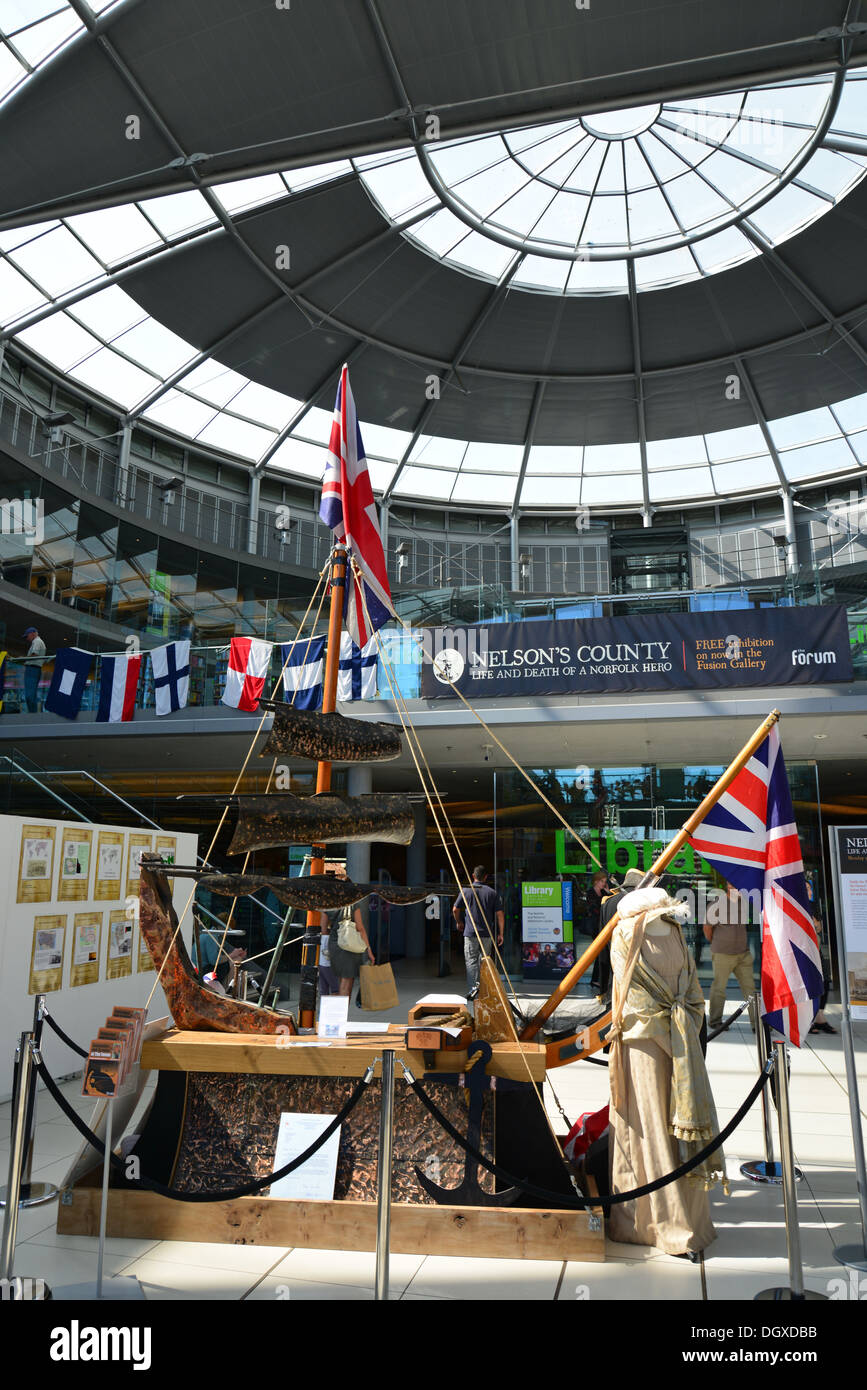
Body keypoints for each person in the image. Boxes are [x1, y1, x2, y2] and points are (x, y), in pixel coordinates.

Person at [609, 886, 724, 1258]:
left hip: (663, 1043)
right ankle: (669, 1223)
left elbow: (681, 989)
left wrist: (681, 1025)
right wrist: (678, 1028)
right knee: (657, 1128)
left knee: (666, 1128)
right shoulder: (645, 930)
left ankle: (674, 1221)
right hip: (659, 1043)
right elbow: (644, 993)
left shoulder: (658, 929)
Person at [703, 884, 755, 1030]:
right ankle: (715, 1022)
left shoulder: (744, 903)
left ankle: (757, 1023)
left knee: (750, 989)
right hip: (722, 954)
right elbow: (707, 927)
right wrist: (716, 942)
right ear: (729, 886)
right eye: (737, 885)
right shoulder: (717, 904)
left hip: (743, 954)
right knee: (719, 988)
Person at [594, 867, 645, 1001]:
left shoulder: (608, 903)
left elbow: (603, 950)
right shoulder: (646, 903)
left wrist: (603, 988)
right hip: (643, 981)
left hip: (615, 977)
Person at [453, 865, 504, 999]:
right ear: (486, 877)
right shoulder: (492, 892)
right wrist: (501, 933)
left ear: (473, 876)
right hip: (486, 934)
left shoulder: (466, 890)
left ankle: (473, 990)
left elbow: (455, 909)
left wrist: (459, 922)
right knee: (484, 962)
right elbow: (500, 915)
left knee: (471, 962)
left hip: (470, 933)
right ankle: (483, 991)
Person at [325, 891, 374, 998]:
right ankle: (341, 1013)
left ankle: (336, 1012)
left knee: (338, 983)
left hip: (334, 944)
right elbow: (360, 928)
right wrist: (368, 949)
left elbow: (324, 929)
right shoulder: (352, 903)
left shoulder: (327, 902)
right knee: (346, 983)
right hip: (349, 945)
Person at [22, 626, 46, 713]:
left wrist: (22, 659)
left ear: (32, 634)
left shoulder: (37, 641)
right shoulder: (37, 642)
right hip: (34, 669)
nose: (27, 639)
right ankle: (33, 714)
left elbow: (34, 655)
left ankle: (32, 714)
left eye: (27, 636)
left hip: (32, 669)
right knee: (31, 694)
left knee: (30, 695)